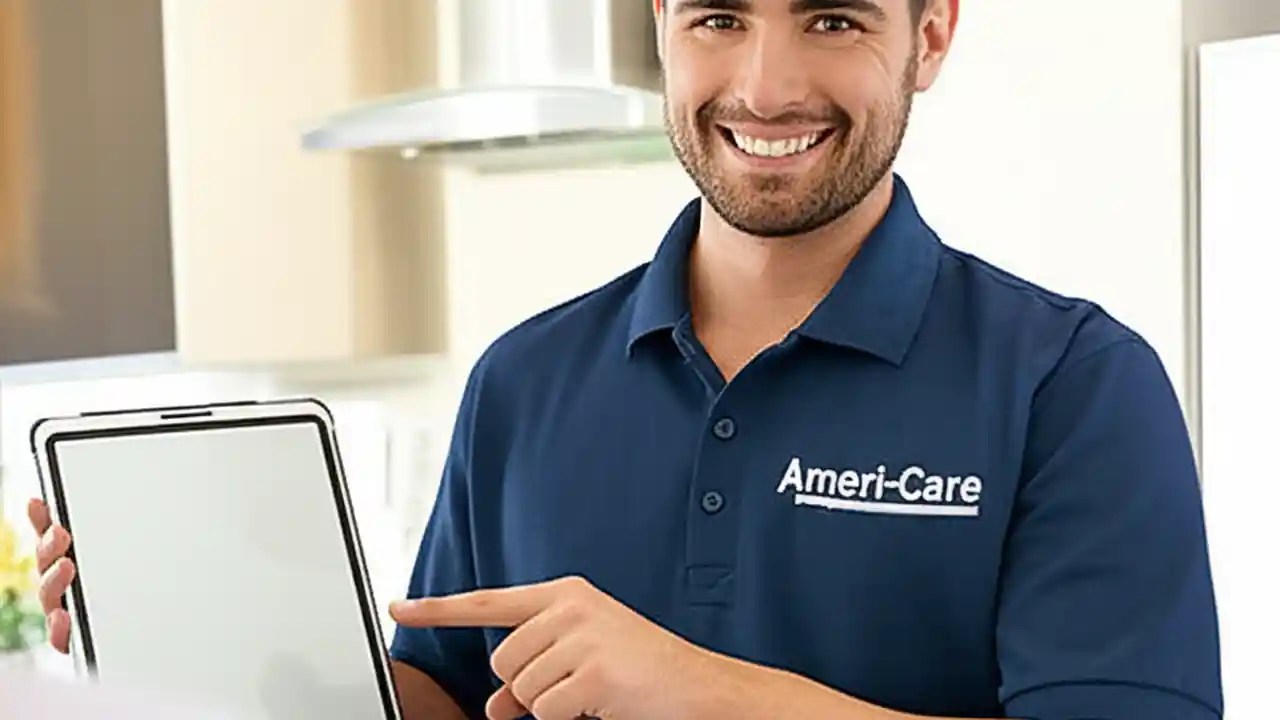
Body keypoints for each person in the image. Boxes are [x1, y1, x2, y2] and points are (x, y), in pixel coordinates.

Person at [29, 0, 1223, 718]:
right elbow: (451, 699)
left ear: (930, 33)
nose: (764, 86)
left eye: (831, 19)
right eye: (717, 17)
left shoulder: (1071, 385)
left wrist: (698, 690)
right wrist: (214, 647)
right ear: (662, 23)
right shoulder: (522, 379)